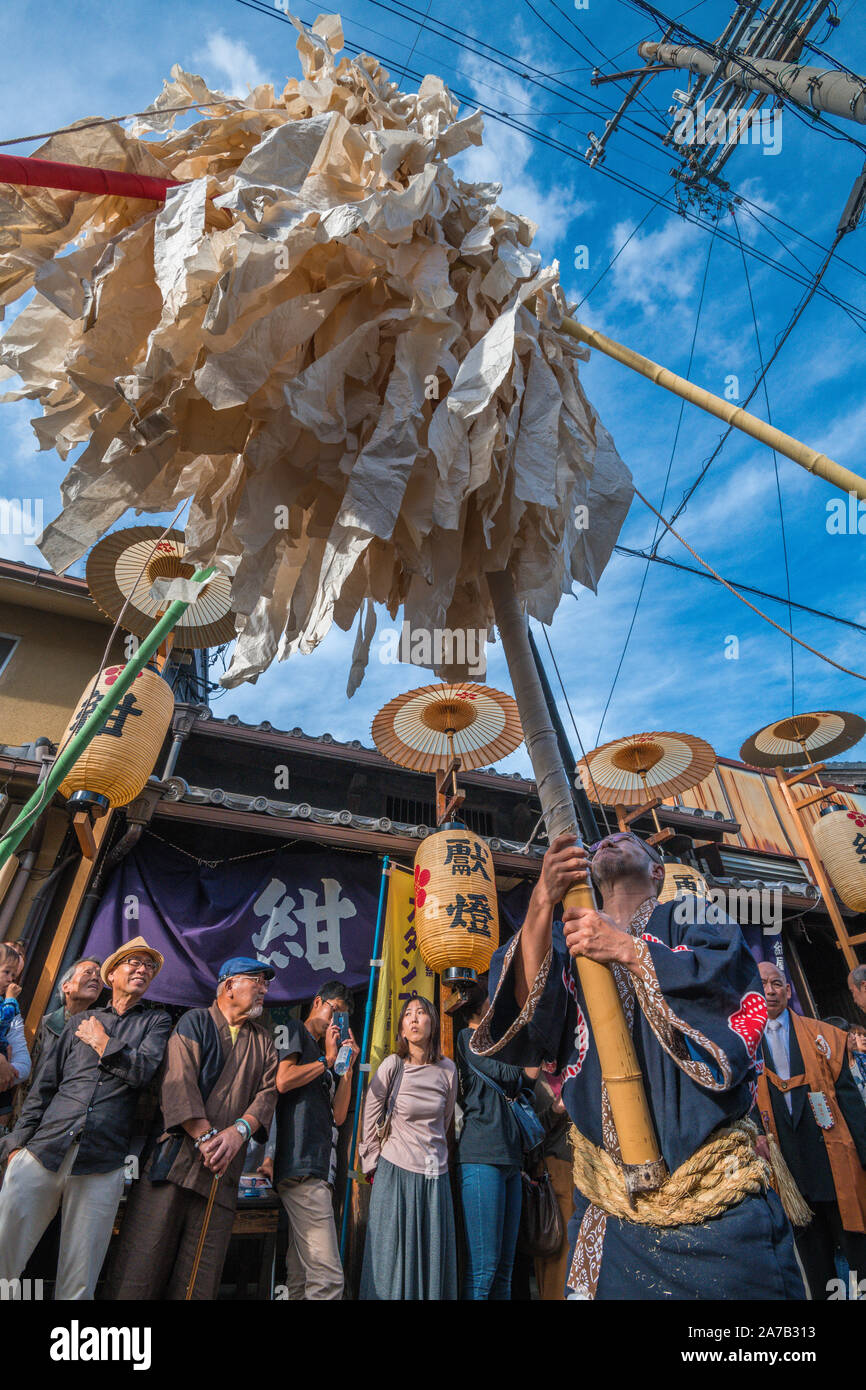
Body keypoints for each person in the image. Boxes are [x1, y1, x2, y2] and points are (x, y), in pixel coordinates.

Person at [470, 830, 804, 1300]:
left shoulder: (691, 918)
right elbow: (528, 1011)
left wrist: (629, 950)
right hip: (612, 1206)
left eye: (628, 840)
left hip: (711, 1195)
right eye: (603, 840)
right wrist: (543, 898)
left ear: (657, 870)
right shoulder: (569, 945)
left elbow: (729, 990)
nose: (610, 841)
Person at [0, 935, 171, 1299]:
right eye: (134, 962)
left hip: (101, 1160)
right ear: (113, 974)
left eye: (149, 966)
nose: (142, 969)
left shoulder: (155, 1022)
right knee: (3, 1252)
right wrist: (16, 1145)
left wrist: (103, 1043)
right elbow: (45, 1086)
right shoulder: (85, 1018)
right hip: (44, 1148)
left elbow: (145, 1072)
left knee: (80, 1275)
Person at [106, 956, 278, 1300]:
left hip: (221, 1171)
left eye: (265, 984)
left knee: (200, 1275)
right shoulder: (194, 1022)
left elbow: (268, 1092)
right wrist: (208, 1138)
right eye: (257, 981)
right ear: (229, 985)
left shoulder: (263, 1041)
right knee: (142, 1263)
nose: (264, 990)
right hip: (175, 1162)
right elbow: (177, 1084)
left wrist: (238, 1132)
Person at [756, 962, 866, 1300]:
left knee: (858, 1252)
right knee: (815, 1263)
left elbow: (851, 1105)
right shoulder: (743, 1047)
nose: (771, 990)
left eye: (778, 983)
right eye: (763, 984)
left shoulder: (826, 1036)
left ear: (789, 990)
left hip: (833, 1159)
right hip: (789, 1169)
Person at [359, 996, 458, 1300]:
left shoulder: (448, 1070)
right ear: (402, 1028)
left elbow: (444, 1122)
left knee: (430, 1261)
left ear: (433, 1023)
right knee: (390, 1260)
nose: (414, 1019)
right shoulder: (393, 1065)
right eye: (408, 1015)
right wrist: (373, 1165)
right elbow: (371, 1115)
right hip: (395, 1173)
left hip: (433, 1176)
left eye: (421, 1013)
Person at [273, 982, 359, 1300]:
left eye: (343, 1019)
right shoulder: (295, 1029)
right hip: (302, 1165)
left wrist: (345, 1071)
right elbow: (282, 1080)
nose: (336, 1022)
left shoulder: (325, 1057)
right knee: (328, 1280)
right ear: (318, 1002)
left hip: (318, 1168)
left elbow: (337, 1116)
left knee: (300, 1278)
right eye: (334, 1011)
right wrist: (326, 1059)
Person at [453, 976, 530, 1300]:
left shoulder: (497, 1041)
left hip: (511, 1157)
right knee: (483, 1270)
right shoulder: (467, 1039)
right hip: (481, 1156)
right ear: (484, 1006)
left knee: (505, 1270)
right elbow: (513, 1075)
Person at [533, 1061, 573, 1301]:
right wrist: (556, 1110)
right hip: (554, 1168)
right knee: (558, 1250)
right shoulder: (534, 1078)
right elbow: (529, 1127)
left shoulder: (574, 1070)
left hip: (588, 1171)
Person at [31, 957, 103, 1081]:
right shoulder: (41, 1025)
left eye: (99, 975)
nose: (96, 978)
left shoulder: (98, 1031)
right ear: (66, 987)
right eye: (88, 972)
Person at [0, 943, 30, 1129]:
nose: (11, 980)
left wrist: (7, 1069)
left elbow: (24, 1064)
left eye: (14, 975)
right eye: (6, 973)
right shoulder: (7, 1003)